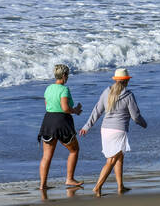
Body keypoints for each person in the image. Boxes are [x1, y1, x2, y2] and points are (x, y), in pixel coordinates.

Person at [79, 68, 147, 195]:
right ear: (126, 81)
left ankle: (120, 186)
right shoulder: (129, 95)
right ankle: (97, 187)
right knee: (111, 160)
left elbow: (97, 111)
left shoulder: (107, 92)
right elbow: (136, 116)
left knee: (119, 157)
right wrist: (144, 124)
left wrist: (86, 126)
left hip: (105, 130)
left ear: (115, 80)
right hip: (118, 130)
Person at [37, 63, 83, 191]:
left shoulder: (48, 88)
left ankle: (42, 184)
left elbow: (47, 106)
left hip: (48, 121)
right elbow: (65, 108)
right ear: (63, 75)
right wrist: (76, 110)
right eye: (67, 75)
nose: (67, 77)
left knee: (46, 155)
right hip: (62, 122)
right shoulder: (64, 89)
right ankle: (69, 178)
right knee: (74, 150)